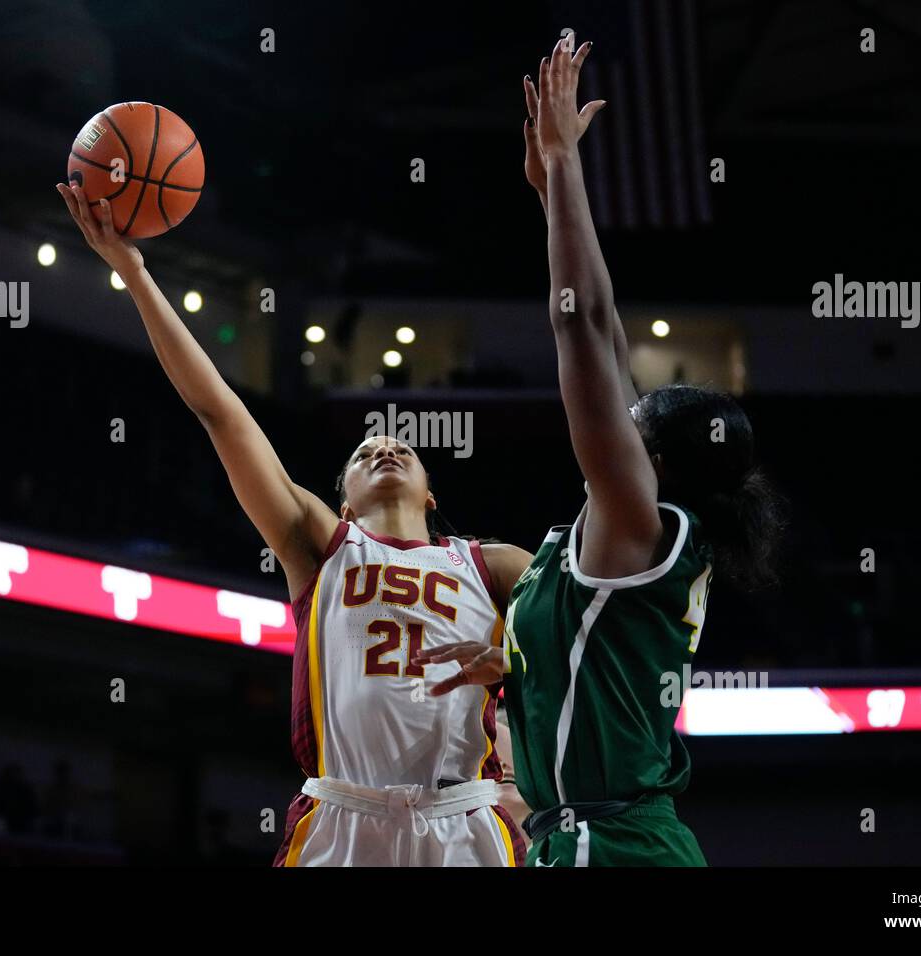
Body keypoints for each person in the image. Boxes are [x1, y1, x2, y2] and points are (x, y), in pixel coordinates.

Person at [55, 183, 526, 866]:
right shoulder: (322, 545)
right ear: (342, 502)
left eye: (401, 448)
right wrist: (133, 272)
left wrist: (515, 662)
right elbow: (218, 410)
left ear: (431, 494)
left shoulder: (493, 564)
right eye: (364, 453)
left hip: (464, 816)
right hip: (344, 813)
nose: (384, 448)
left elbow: (585, 643)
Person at [421, 37, 784, 866]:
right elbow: (607, 329)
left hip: (614, 845)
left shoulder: (635, 523)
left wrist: (564, 172)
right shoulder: (619, 538)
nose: (620, 404)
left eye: (635, 414)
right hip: (603, 839)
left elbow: (578, 321)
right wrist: (511, 657)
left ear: (651, 454)